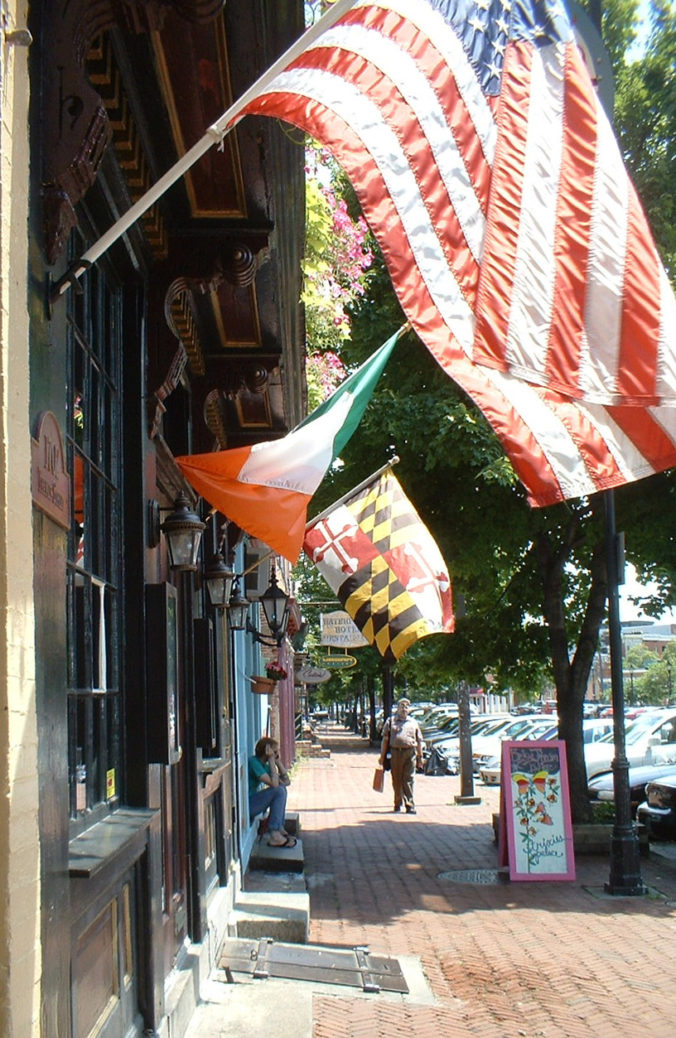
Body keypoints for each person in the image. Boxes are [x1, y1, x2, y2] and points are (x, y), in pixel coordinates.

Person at [248, 736, 297, 847]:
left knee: (282, 789)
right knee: (278, 791)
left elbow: (286, 782)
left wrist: (278, 762)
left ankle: (279, 828)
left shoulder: (265, 766)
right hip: (247, 805)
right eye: (275, 751)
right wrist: (271, 760)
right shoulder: (253, 762)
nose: (276, 754)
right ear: (267, 751)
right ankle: (275, 833)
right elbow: (274, 785)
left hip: (253, 802)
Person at [379, 698, 424, 814]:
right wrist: (382, 756)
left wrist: (420, 757)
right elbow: (385, 739)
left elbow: (419, 741)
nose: (404, 709)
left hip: (410, 753)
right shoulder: (391, 721)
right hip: (396, 753)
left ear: (409, 709)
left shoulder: (413, 722)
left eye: (406, 707)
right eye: (401, 706)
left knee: (409, 778)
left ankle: (410, 804)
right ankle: (397, 803)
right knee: (397, 779)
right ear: (397, 708)